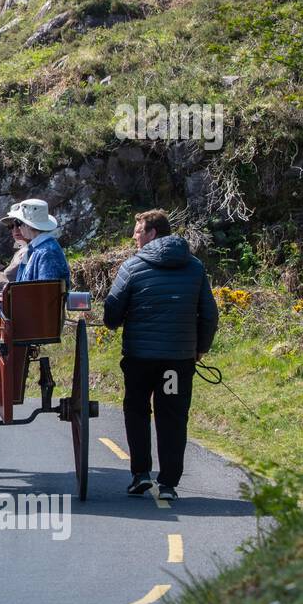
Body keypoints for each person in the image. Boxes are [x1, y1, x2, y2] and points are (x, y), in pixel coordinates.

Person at [103, 209, 219, 501]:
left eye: (138, 231)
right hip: (176, 362)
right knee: (172, 416)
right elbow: (209, 313)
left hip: (141, 358)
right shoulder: (194, 267)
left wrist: (113, 322)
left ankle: (141, 473)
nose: (134, 236)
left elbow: (113, 310)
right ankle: (168, 483)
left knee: (138, 410)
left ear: (153, 233)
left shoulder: (132, 267)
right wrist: (200, 349)